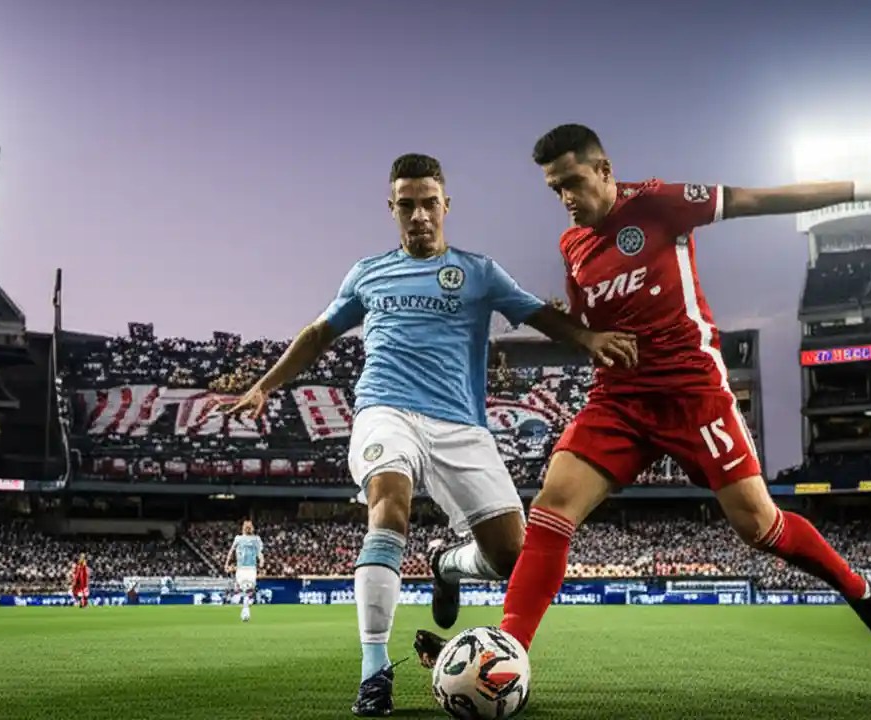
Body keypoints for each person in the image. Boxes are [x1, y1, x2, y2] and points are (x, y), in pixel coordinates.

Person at [417, 124, 871, 671]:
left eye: (573, 182)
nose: (565, 198)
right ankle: (507, 653)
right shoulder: (574, 246)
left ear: (605, 171)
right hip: (620, 401)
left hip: (692, 394)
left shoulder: (659, 204)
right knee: (550, 510)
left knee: (761, 527)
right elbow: (593, 322)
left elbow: (758, 200)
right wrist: (571, 324)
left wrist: (866, 186)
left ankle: (861, 592)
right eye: (554, 189)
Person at [219, 153, 636, 717]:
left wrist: (588, 340)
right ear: (392, 209)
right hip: (386, 412)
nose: (419, 215)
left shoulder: (479, 271)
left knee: (515, 555)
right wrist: (266, 385)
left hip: (462, 426)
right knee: (389, 508)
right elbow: (319, 334)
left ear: (446, 206)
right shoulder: (367, 273)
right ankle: (373, 673)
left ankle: (446, 565)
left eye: (428, 203)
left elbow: (538, 314)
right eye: (407, 205)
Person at [225, 520, 264, 621]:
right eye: (246, 526)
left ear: (252, 528)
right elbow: (231, 550)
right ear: (243, 528)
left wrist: (261, 560)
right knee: (243, 588)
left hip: (251, 568)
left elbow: (259, 552)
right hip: (241, 568)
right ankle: (244, 606)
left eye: (249, 526)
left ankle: (245, 609)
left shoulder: (256, 539)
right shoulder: (238, 538)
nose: (248, 528)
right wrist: (227, 563)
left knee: (249, 589)